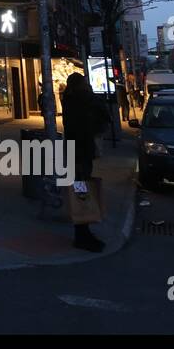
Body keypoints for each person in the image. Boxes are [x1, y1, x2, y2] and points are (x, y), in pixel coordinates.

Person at [61, 71, 108, 252]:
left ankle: (84, 230)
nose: (87, 86)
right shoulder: (78, 102)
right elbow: (91, 121)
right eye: (84, 84)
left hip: (80, 153)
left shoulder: (74, 100)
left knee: (82, 189)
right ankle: (82, 232)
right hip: (80, 155)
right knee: (81, 190)